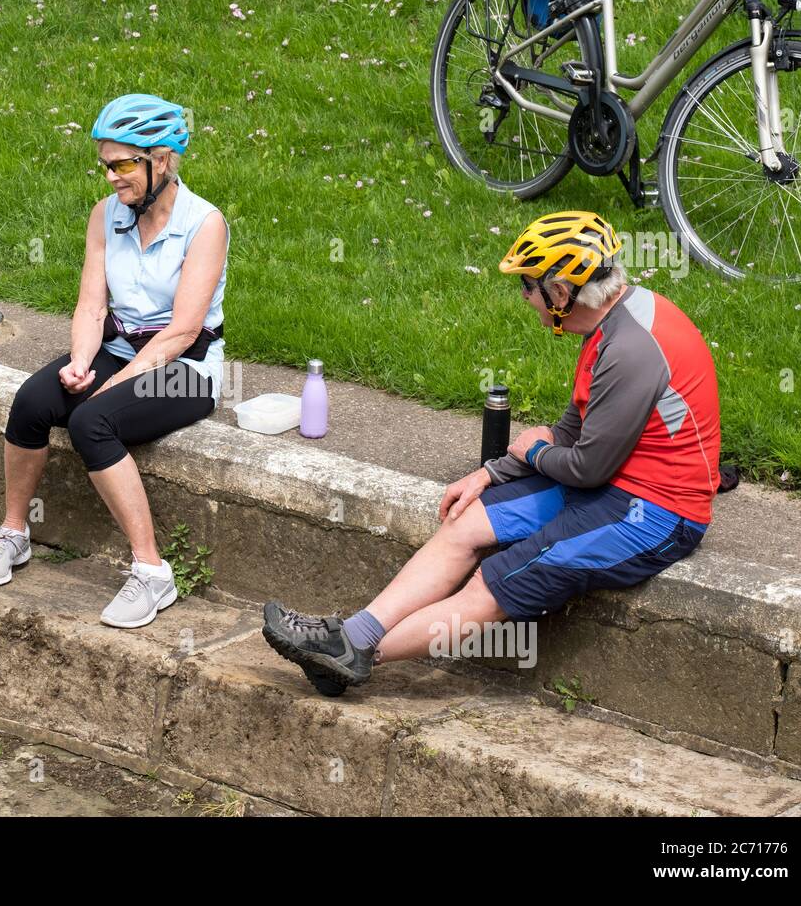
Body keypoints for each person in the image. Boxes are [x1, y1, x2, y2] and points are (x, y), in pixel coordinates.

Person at [262, 211, 721, 695]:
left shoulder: (629, 351)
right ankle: (345, 645)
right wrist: (492, 473)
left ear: (561, 293)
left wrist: (535, 451)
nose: (525, 297)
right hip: (612, 482)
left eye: (528, 285)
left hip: (656, 513)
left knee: (495, 581)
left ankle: (355, 654)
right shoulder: (614, 322)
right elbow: (574, 428)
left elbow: (585, 467)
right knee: (467, 521)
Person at [0, 94, 228, 630]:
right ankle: (14, 533)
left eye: (123, 164)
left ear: (161, 160)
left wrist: (115, 386)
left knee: (93, 421)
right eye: (106, 165)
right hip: (118, 349)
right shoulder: (105, 216)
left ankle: (153, 572)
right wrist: (81, 364)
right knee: (34, 400)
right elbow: (92, 305)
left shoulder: (204, 225)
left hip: (187, 369)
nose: (112, 177)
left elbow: (181, 332)